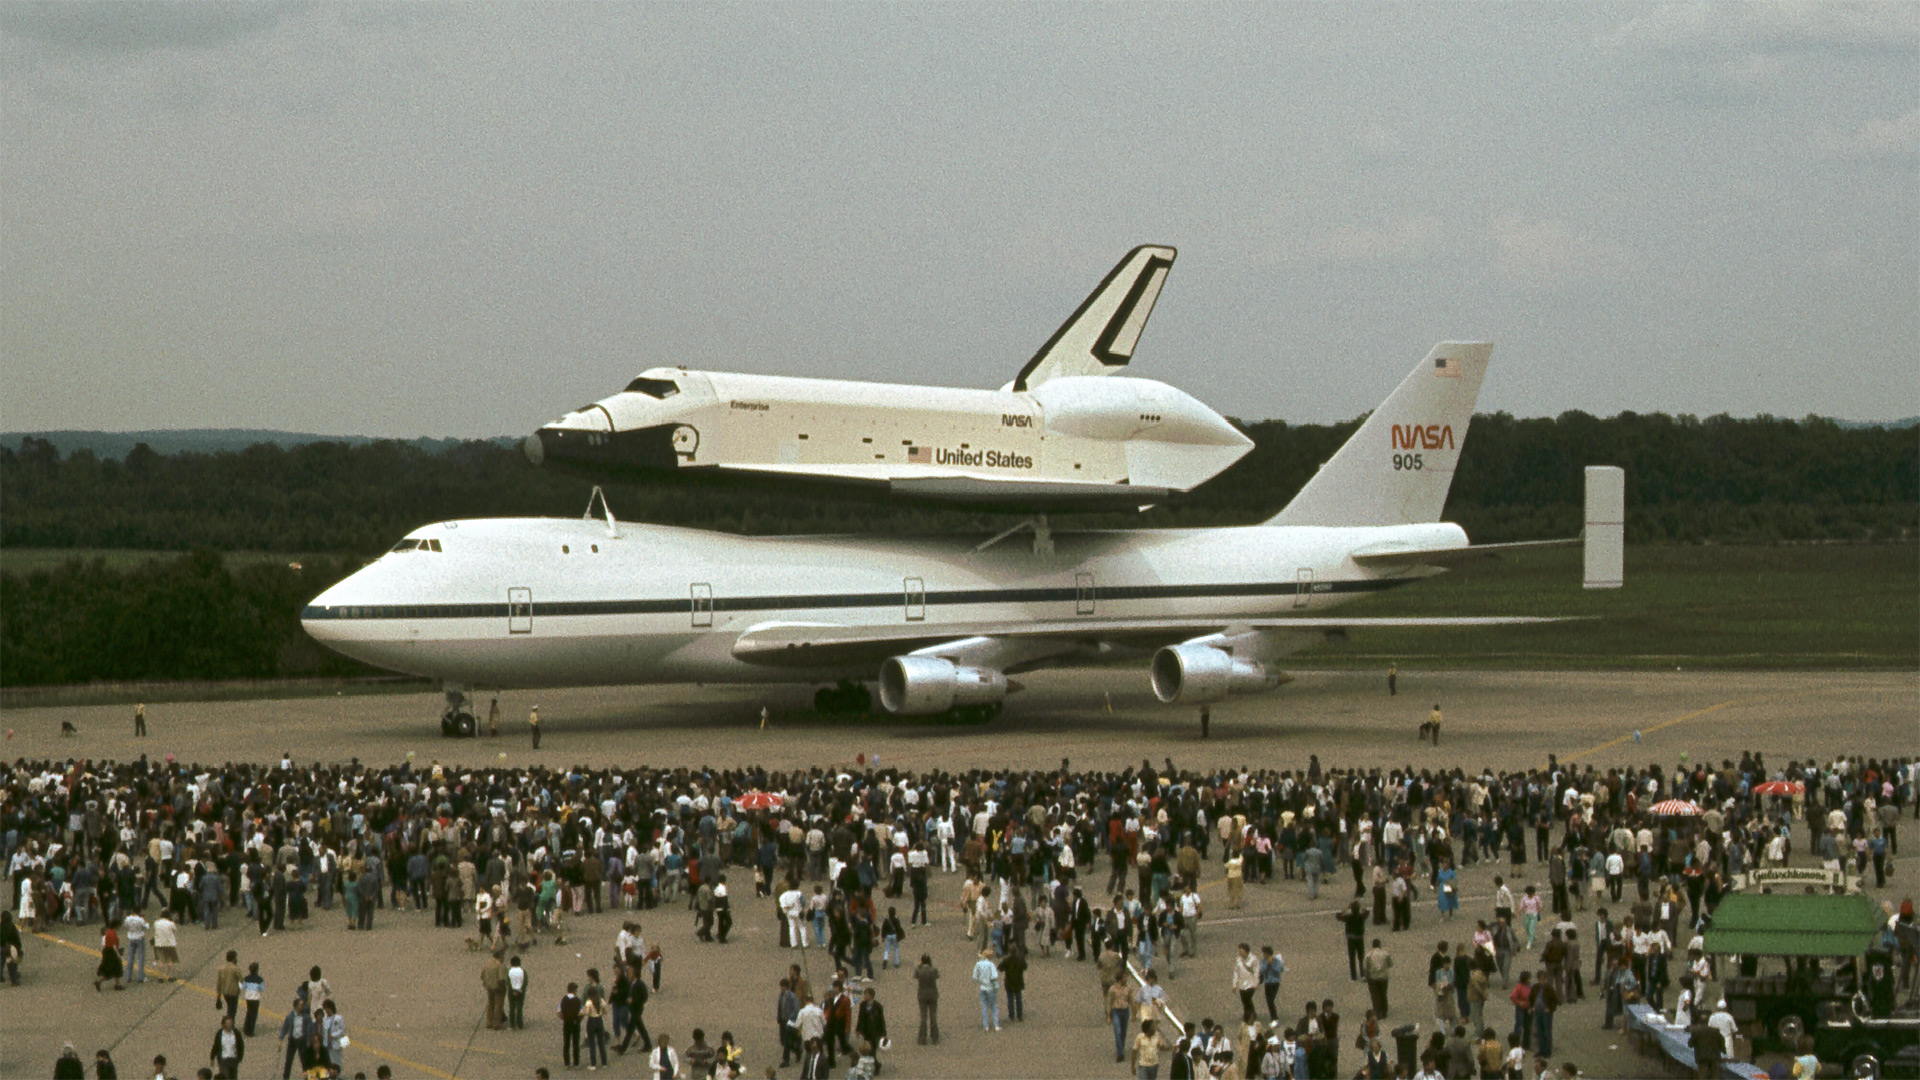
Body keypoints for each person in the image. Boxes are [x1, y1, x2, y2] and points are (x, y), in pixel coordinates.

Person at [913, 953, 941, 1045]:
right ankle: (935, 1037)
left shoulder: (919, 970)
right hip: (933, 994)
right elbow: (938, 976)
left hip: (922, 994)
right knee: (933, 1016)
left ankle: (922, 1038)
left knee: (923, 1017)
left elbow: (915, 975)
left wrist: (919, 965)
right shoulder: (933, 969)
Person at [973, 948, 1002, 1031]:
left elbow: (974, 977)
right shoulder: (991, 965)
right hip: (991, 988)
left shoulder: (978, 964)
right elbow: (994, 977)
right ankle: (996, 1025)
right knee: (993, 1006)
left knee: (984, 1006)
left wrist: (981, 981)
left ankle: (986, 1026)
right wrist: (996, 987)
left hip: (982, 988)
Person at [208, 1016, 244, 1080]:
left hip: (233, 1059)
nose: (230, 1025)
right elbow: (216, 1046)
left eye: (231, 1023)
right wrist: (212, 1057)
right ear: (224, 1024)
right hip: (223, 1060)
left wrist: (239, 1058)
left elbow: (241, 1046)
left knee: (233, 1077)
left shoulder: (236, 1033)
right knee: (225, 1077)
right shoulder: (220, 1034)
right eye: (228, 1023)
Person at [1364, 938, 1392, 1018]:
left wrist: (1367, 977)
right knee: (1383, 994)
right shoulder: (1385, 954)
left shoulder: (1368, 955)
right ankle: (1384, 1012)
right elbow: (1390, 964)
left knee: (1375, 996)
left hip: (1373, 978)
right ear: (1380, 945)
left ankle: (1377, 1013)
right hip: (1383, 977)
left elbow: (1366, 967)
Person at [558, 981, 584, 1068]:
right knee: (575, 1043)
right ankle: (576, 1062)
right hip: (575, 1023)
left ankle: (567, 1063)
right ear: (575, 990)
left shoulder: (563, 1000)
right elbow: (581, 1012)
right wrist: (578, 1020)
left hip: (566, 1023)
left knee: (566, 1043)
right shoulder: (578, 1001)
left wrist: (564, 1018)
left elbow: (559, 1012)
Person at [1233, 943, 1260, 1023]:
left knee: (1248, 999)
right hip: (1242, 984)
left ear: (1246, 951)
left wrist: (1256, 984)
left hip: (1250, 983)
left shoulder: (1253, 959)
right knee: (1244, 1001)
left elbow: (1256, 972)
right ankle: (1247, 1015)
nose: (1240, 953)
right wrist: (1234, 984)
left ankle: (1252, 1013)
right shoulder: (1238, 959)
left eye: (1241, 951)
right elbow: (1236, 971)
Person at [481, 951, 508, 1030]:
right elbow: (502, 978)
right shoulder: (500, 966)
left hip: (489, 987)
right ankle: (497, 1023)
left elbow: (482, 976)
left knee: (490, 1004)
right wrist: (504, 987)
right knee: (498, 1006)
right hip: (498, 988)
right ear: (500, 957)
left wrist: (486, 984)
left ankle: (489, 1021)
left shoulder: (487, 964)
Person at [507, 956, 528, 1029]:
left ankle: (512, 1023)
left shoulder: (509, 971)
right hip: (520, 992)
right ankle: (520, 1023)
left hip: (511, 992)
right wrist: (519, 990)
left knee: (512, 1007)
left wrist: (513, 990)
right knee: (519, 1007)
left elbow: (508, 982)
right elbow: (525, 982)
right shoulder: (523, 971)